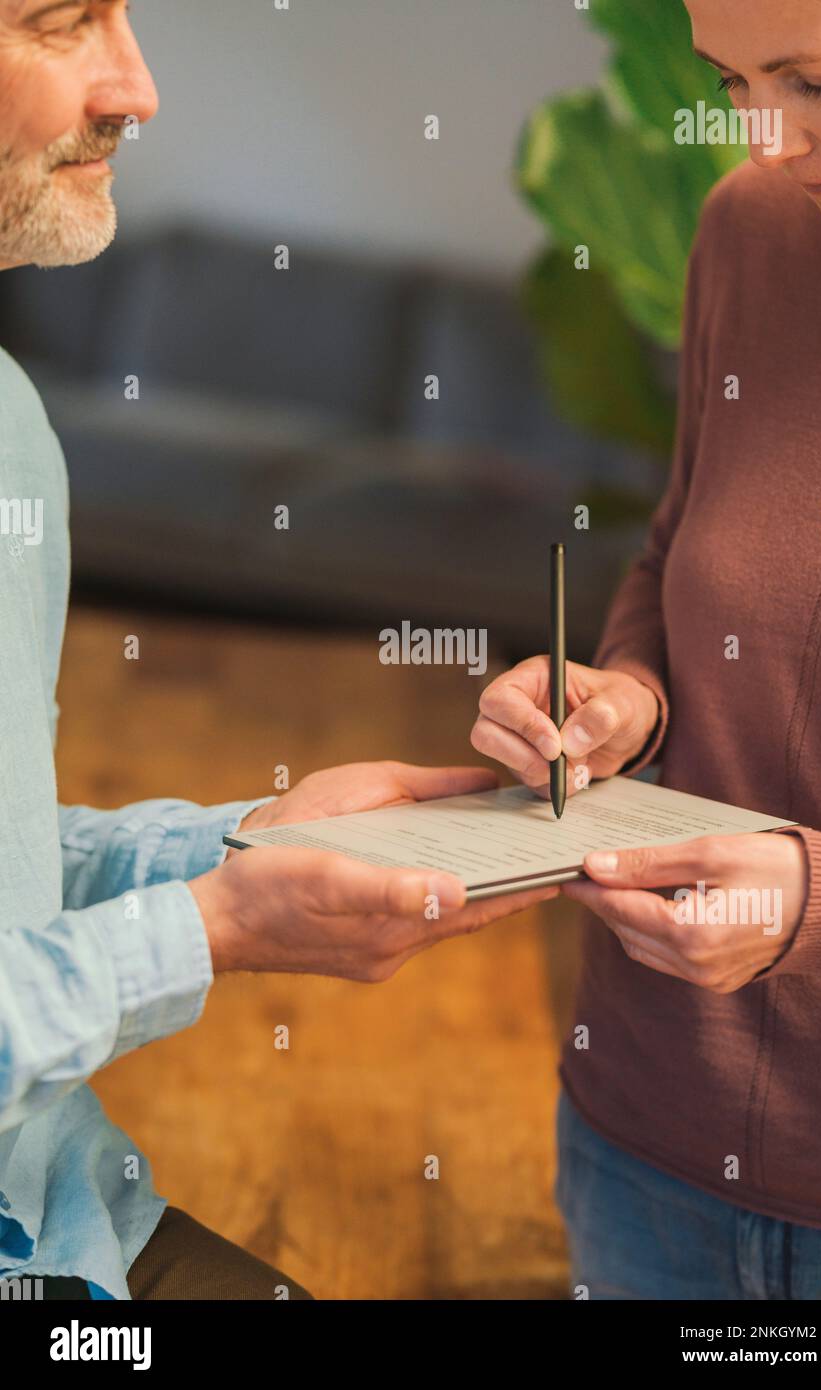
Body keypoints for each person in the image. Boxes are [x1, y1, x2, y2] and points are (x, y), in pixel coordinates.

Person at [0, 0, 556, 1301]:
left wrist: (246, 841)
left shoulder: (12, 427)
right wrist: (216, 927)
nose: (138, 88)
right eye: (62, 22)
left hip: (73, 1220)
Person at [472, 0, 821, 1301]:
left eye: (820, 79)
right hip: (644, 1137)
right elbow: (681, 543)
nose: (765, 135)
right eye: (729, 78)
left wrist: (818, 898)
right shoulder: (750, 233)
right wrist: (624, 695)